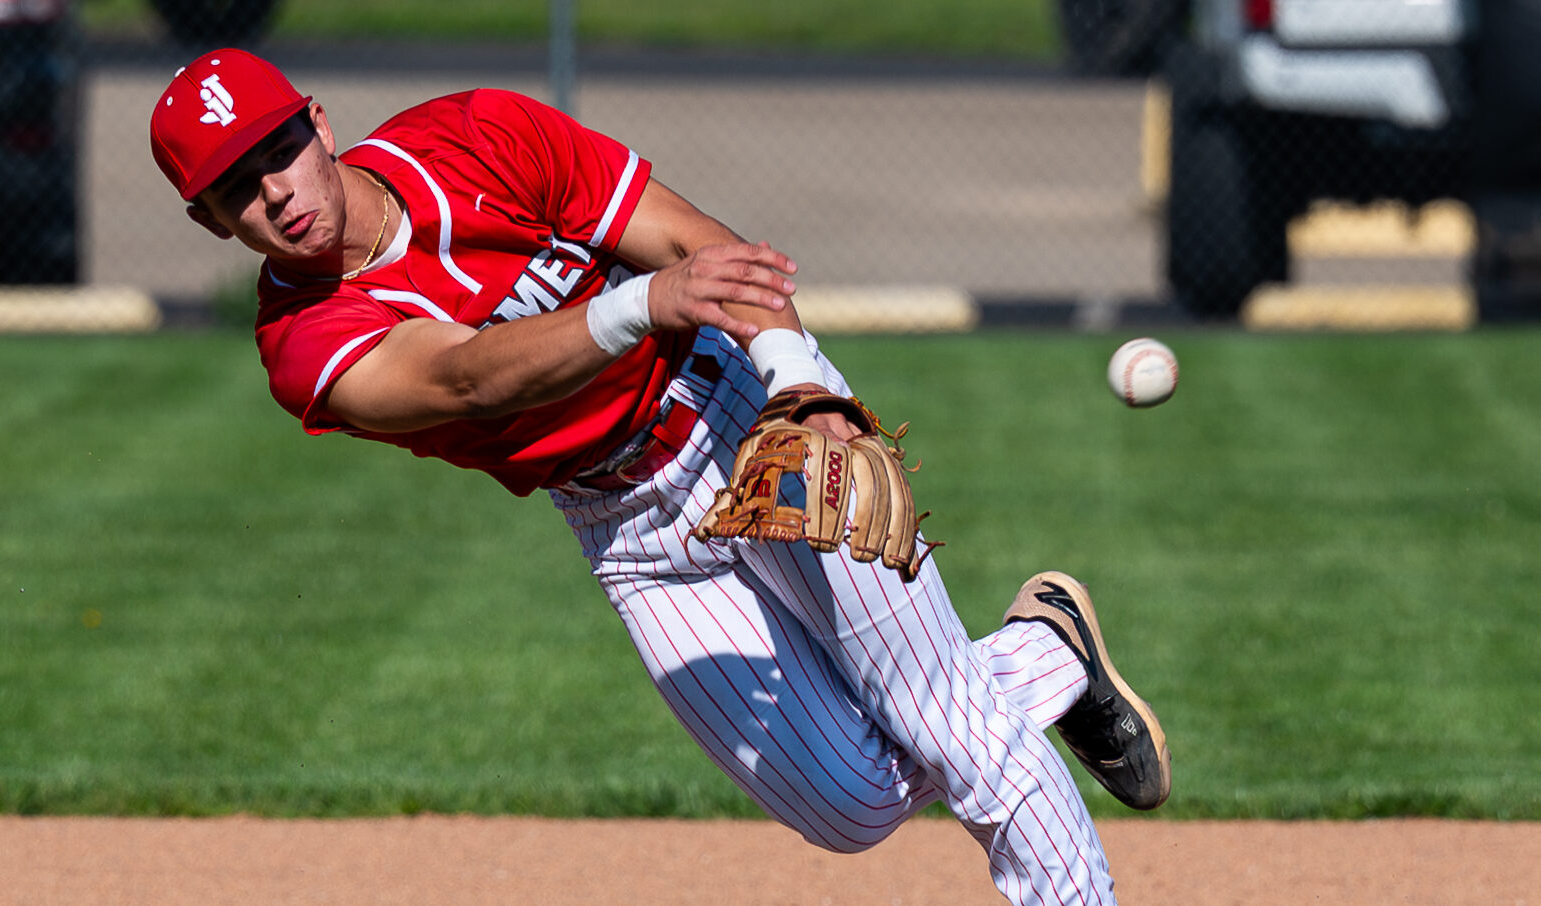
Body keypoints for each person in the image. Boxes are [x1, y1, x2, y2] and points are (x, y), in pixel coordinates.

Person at [150, 48, 1171, 905]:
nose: (275, 190)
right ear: (208, 220)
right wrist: (636, 305)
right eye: (236, 184)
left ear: (318, 123)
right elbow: (463, 379)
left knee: (955, 728)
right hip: (628, 529)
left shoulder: (478, 134)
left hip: (738, 412)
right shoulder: (303, 343)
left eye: (278, 148)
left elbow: (697, 248)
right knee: (852, 806)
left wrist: (795, 387)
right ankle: (1045, 656)